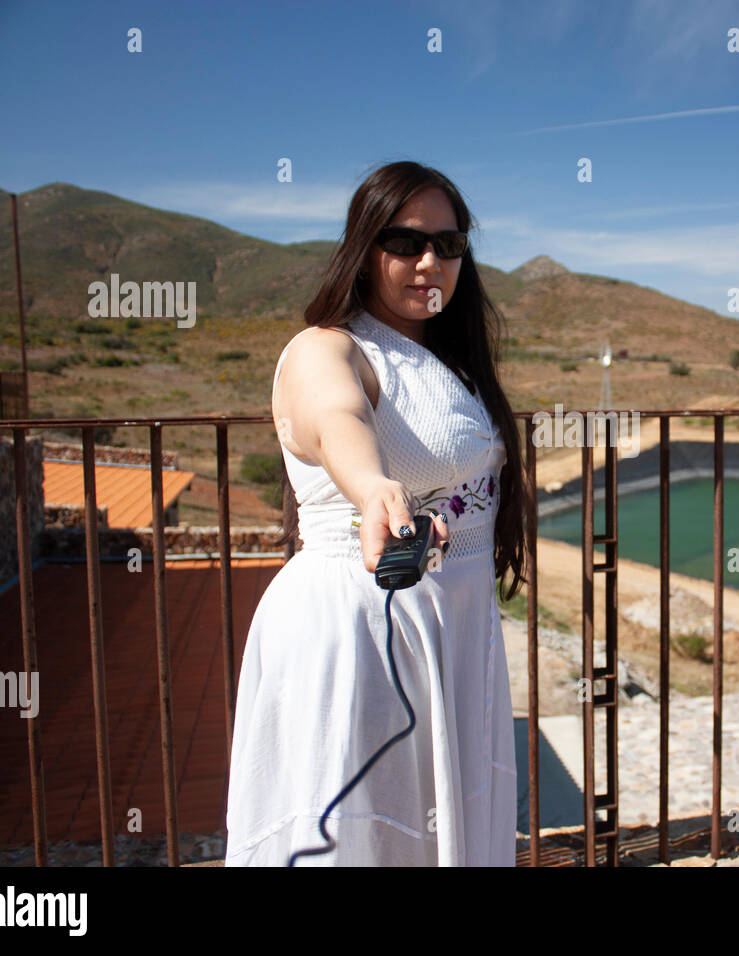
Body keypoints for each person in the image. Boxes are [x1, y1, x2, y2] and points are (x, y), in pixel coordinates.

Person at [224, 160, 529, 866]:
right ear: (364, 250)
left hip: (453, 624)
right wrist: (373, 490)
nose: (431, 262)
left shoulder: (448, 365)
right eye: (405, 243)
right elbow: (336, 416)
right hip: (363, 624)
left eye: (449, 246)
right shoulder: (326, 347)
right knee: (363, 833)